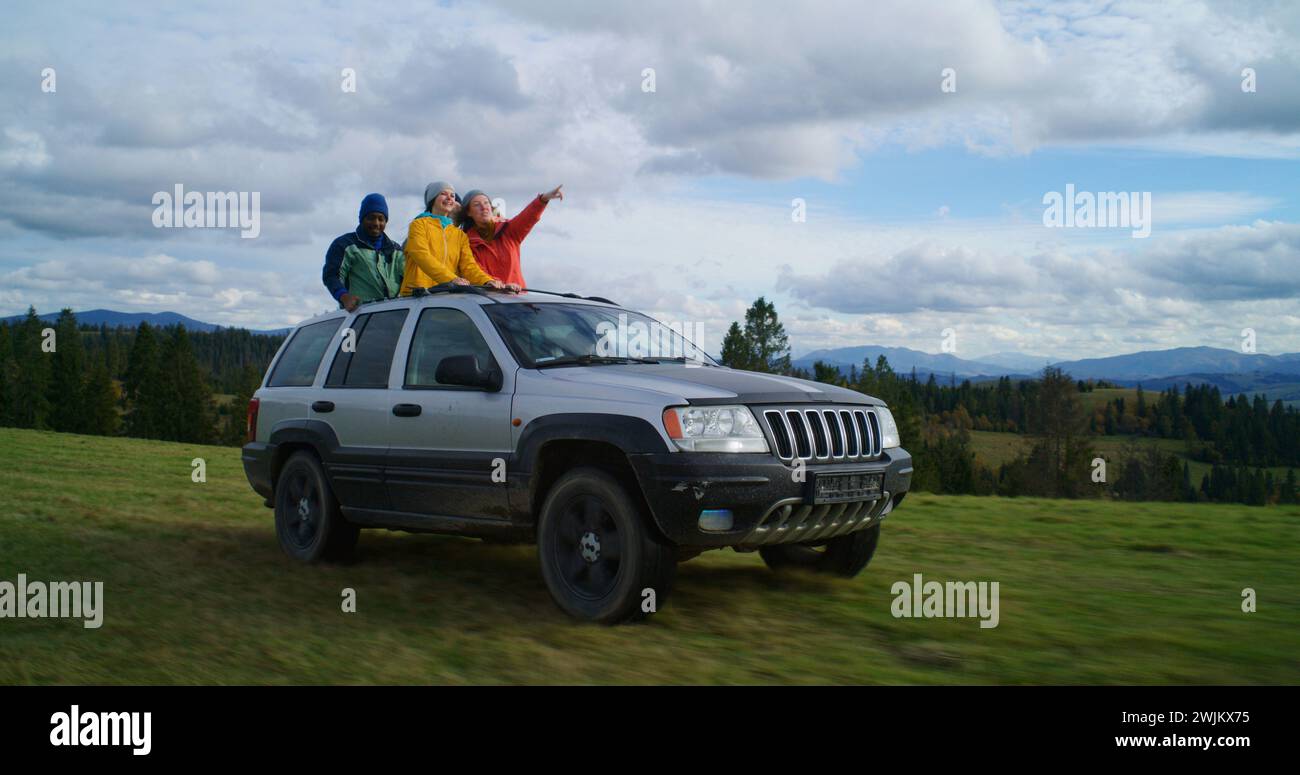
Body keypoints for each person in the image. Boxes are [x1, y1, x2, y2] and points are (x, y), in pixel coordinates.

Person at [399, 181, 518, 296]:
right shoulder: (419, 225)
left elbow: (469, 267)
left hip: (444, 295)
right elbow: (421, 256)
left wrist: (486, 281)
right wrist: (451, 279)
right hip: (418, 295)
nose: (449, 198)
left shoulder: (460, 235)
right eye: (443, 194)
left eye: (452, 196)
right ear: (432, 199)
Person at [457, 185, 562, 289]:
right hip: (488, 299)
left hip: (517, 298)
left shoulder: (508, 230)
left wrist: (543, 199)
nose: (484, 207)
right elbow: (474, 271)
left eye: (486, 203)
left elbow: (527, 217)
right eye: (476, 205)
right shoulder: (467, 242)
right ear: (468, 212)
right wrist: (499, 286)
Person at [321, 193, 405, 311]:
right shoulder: (344, 245)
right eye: (371, 217)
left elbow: (409, 275)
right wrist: (344, 297)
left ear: (386, 221)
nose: (376, 223)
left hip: (394, 315)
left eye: (381, 219)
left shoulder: (396, 250)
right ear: (361, 219)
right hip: (359, 315)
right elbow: (331, 276)